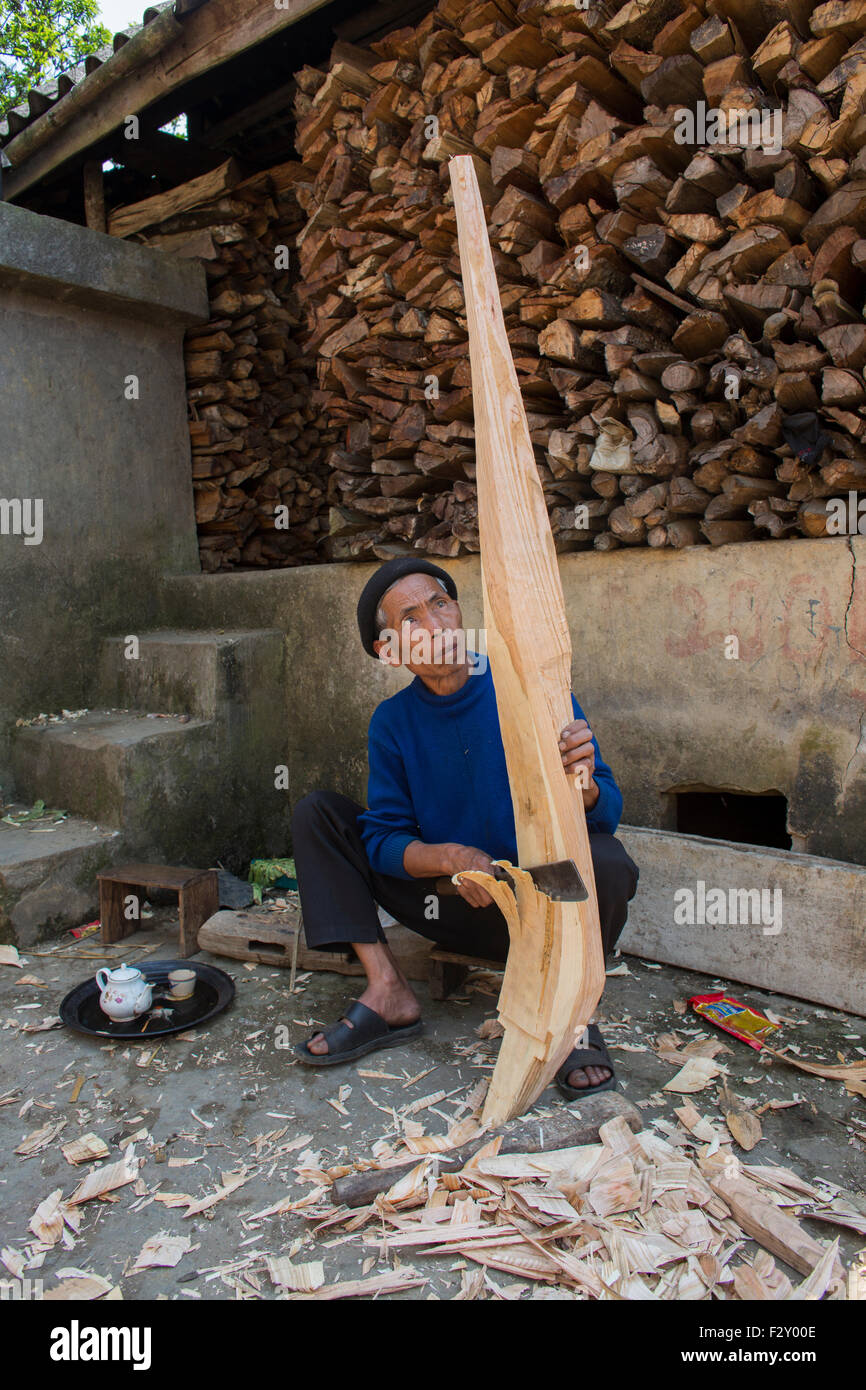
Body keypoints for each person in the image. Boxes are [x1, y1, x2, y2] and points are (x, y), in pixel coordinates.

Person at [291, 557, 639, 1098]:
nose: (434, 625)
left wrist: (584, 780)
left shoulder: (528, 686)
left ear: (458, 611)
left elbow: (607, 808)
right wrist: (452, 860)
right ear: (390, 652)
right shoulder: (392, 723)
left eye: (440, 603)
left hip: (543, 911)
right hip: (452, 907)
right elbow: (383, 842)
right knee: (318, 813)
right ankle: (388, 991)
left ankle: (571, 1013)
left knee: (610, 861)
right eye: (410, 619)